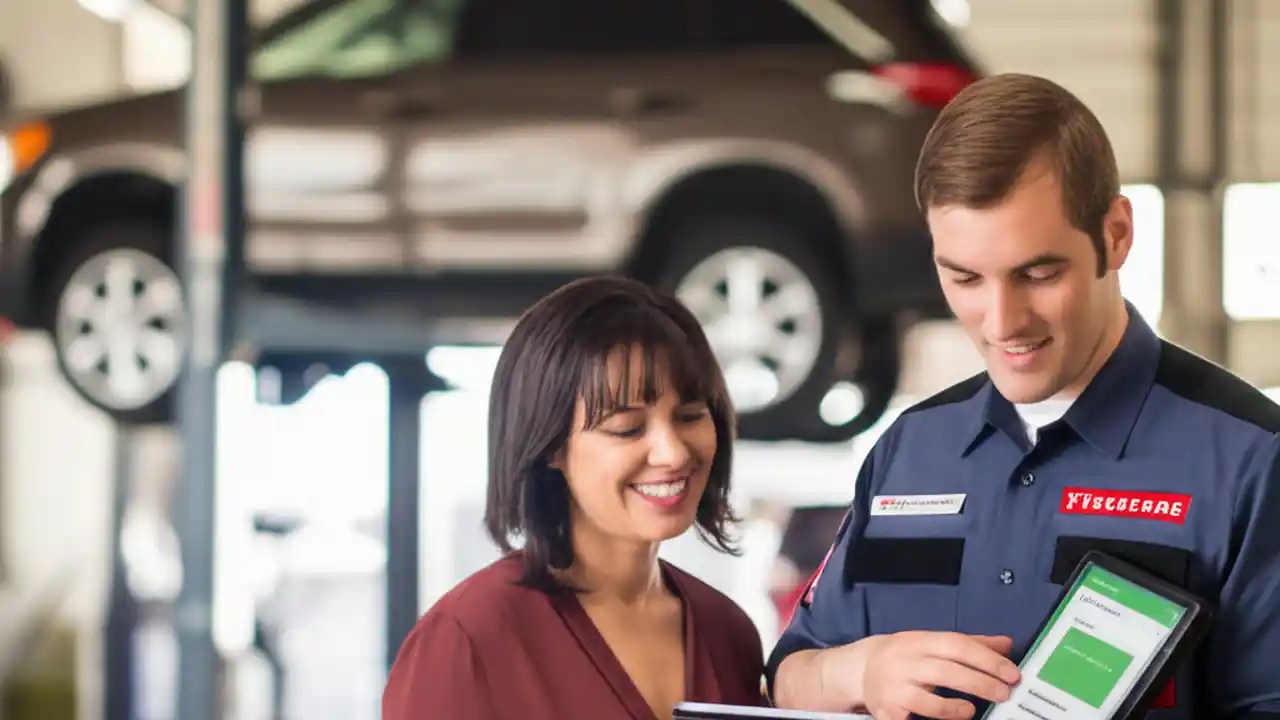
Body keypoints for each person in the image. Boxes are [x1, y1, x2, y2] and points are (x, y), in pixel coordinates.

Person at [767, 73, 1280, 720]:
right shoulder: (908, 451)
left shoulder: (1252, 462)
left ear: (1116, 234)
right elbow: (787, 676)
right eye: (965, 278)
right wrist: (860, 670)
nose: (1001, 321)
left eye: (1038, 274)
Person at [383, 276, 766, 719]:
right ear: (549, 445)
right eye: (627, 428)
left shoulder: (727, 633)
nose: (673, 451)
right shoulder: (469, 638)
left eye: (690, 416)